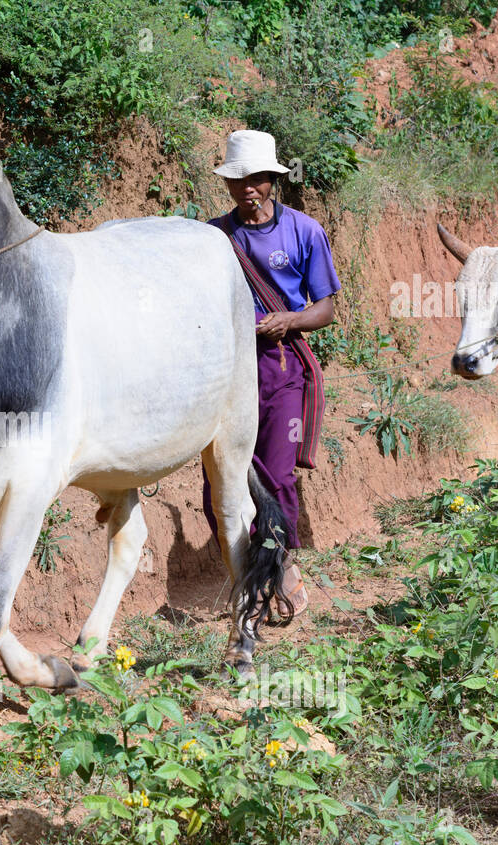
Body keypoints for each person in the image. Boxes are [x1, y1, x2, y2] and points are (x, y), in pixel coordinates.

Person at [205, 129, 340, 614]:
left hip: (282, 370)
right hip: (228, 373)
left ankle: (280, 567)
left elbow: (325, 307)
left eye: (257, 178)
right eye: (238, 179)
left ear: (273, 180)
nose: (248, 188)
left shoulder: (305, 231)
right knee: (220, 484)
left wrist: (290, 319)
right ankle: (248, 574)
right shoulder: (214, 237)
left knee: (277, 478)